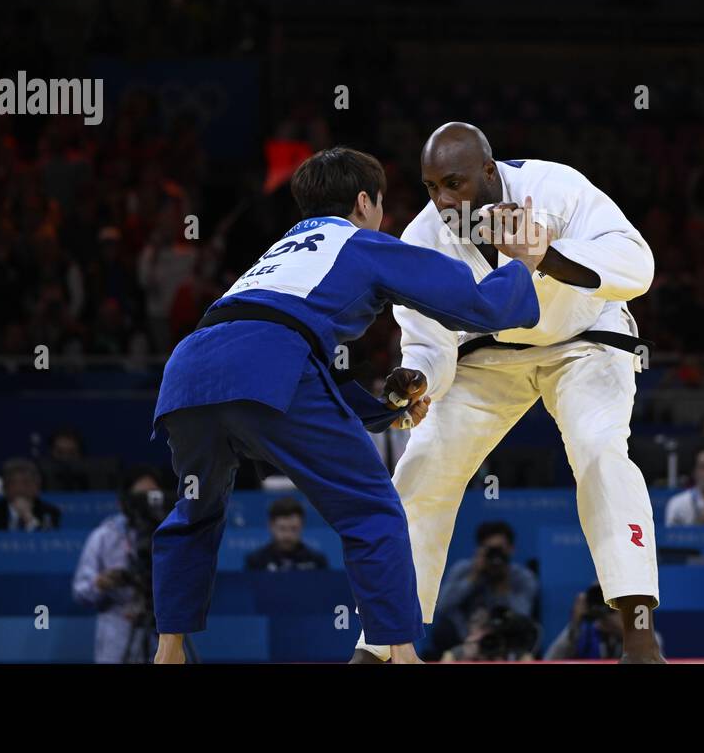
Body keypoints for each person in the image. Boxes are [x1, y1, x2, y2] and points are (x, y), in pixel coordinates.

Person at [150, 147, 543, 665]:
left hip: (189, 374)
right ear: (364, 201)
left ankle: (169, 651)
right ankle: (400, 653)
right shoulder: (362, 244)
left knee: (195, 512)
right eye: (380, 205)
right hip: (268, 368)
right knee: (374, 510)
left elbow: (289, 341)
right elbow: (475, 305)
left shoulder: (277, 253)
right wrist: (521, 264)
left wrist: (385, 412)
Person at [355, 123, 663, 664]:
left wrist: (545, 257)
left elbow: (638, 265)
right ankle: (382, 643)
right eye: (432, 187)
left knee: (600, 451)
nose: (445, 199)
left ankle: (638, 639)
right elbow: (428, 340)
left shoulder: (555, 189)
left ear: (490, 172)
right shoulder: (424, 237)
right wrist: (418, 377)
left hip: (583, 340)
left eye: (456, 183)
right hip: (489, 355)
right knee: (422, 467)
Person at [72, 466, 172, 662]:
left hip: (162, 631)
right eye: (140, 497)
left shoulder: (171, 536)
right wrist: (101, 583)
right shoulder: (104, 536)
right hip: (117, 633)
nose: (146, 505)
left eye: (151, 497)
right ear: (124, 502)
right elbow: (80, 591)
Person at [429, 521, 538, 654]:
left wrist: (503, 586)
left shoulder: (522, 577)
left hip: (505, 639)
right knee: (444, 630)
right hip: (464, 638)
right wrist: (472, 578)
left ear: (511, 549)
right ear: (480, 549)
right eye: (491, 550)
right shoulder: (464, 570)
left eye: (499, 550)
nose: (495, 556)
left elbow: (523, 615)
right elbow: (442, 606)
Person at [0, 458, 62, 531]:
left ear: (37, 487)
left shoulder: (49, 512)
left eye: (26, 483)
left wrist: (29, 519)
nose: (20, 489)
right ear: (5, 488)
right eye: (13, 484)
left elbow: (49, 543)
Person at [244, 498, 329, 571]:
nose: (288, 535)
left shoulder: (317, 561)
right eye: (282, 528)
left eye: (294, 529)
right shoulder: (256, 562)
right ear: (271, 526)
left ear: (302, 526)